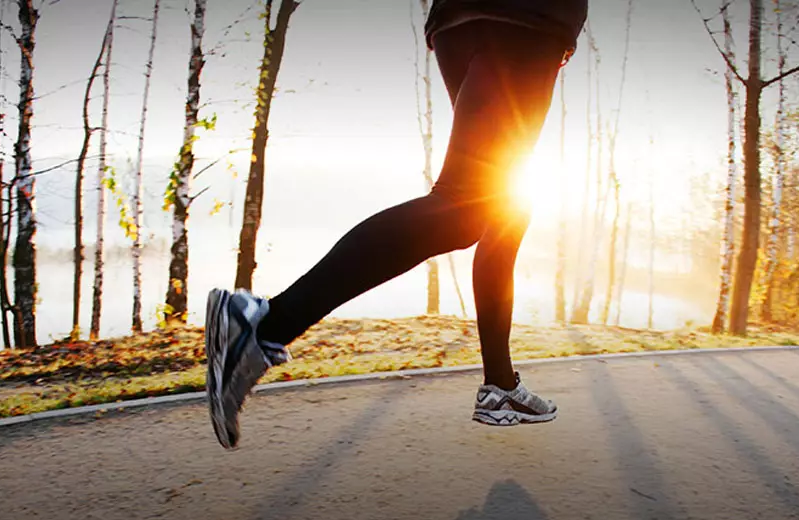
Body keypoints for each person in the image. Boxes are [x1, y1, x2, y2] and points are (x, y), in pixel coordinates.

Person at [205, 0, 589, 449]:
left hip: (465, 21)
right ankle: (262, 325)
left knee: (503, 205)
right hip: (522, 21)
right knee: (466, 208)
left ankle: (500, 387)